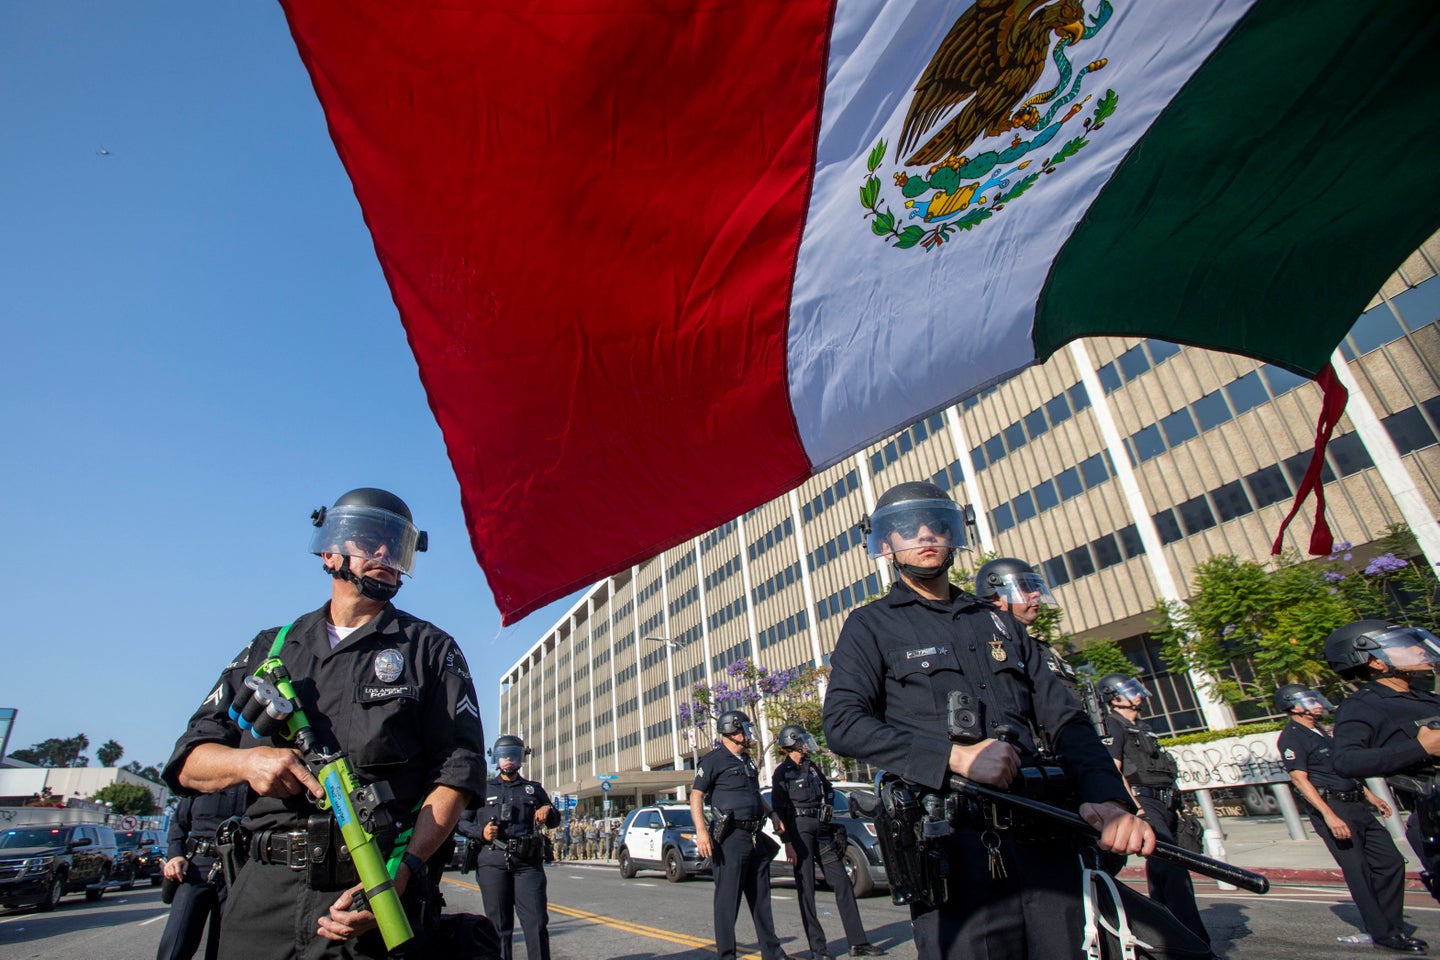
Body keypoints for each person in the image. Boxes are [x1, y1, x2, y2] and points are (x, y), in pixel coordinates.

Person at [823, 481, 1155, 960]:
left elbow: (1067, 720)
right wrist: (953, 758)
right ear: (886, 543)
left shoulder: (998, 622)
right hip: (953, 849)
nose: (924, 535)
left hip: (1046, 840)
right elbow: (843, 724)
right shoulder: (870, 624)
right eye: (905, 529)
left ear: (954, 533)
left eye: (935, 525)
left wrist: (1109, 800)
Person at [162, 487, 487, 960]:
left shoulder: (430, 649)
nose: (384, 553)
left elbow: (456, 773)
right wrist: (248, 763)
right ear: (331, 552)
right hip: (261, 897)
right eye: (369, 539)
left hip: (368, 889)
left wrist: (403, 871)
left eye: (395, 545)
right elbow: (190, 760)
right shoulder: (270, 649)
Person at [1275, 682, 1416, 951]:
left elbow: (1341, 768)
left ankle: (1388, 924)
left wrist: (1369, 796)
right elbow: (1300, 780)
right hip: (1334, 810)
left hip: (1356, 806)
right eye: (1310, 701)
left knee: (1391, 861)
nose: (1317, 704)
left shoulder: (1320, 732)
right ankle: (1384, 935)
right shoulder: (1292, 737)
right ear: (1293, 707)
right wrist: (1329, 816)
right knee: (1359, 871)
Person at [1328, 619, 1440, 921]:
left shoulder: (1427, 697)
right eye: (1406, 646)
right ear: (1376, 661)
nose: (1418, 650)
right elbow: (1346, 761)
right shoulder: (1362, 706)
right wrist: (1422, 748)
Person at [1099, 672, 1210, 947]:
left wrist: (1181, 809)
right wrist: (1137, 810)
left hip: (1166, 803)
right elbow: (1115, 771)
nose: (1138, 694)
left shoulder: (1145, 727)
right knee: (1174, 870)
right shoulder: (1113, 725)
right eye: (1129, 690)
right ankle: (1195, 942)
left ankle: (1167, 937)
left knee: (1163, 874)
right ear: (1114, 698)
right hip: (1144, 801)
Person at [692, 709, 801, 960]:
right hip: (730, 838)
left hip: (753, 836)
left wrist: (772, 814)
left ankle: (773, 953)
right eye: (743, 730)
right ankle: (727, 955)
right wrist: (701, 831)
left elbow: (754, 794)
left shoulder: (747, 760)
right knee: (727, 901)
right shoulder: (712, 761)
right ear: (732, 732)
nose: (747, 735)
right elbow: (696, 795)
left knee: (761, 899)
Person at [770, 724, 884, 959]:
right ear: (792, 743)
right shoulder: (782, 772)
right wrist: (787, 841)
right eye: (802, 740)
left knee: (842, 882)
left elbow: (829, 789)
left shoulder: (812, 768)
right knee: (807, 889)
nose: (806, 744)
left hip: (821, 828)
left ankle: (858, 942)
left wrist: (829, 806)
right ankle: (818, 949)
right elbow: (779, 809)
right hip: (800, 830)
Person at [461, 734, 558, 960]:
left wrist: (548, 810)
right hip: (493, 861)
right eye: (504, 756)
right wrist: (481, 833)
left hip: (528, 863)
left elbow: (554, 819)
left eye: (513, 756)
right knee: (499, 928)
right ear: (496, 759)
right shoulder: (482, 789)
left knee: (536, 922)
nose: (508, 760)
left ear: (521, 758)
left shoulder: (533, 789)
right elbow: (460, 822)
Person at [155, 784, 249, 960]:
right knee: (176, 942)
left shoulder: (255, 779)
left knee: (225, 947)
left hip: (237, 866)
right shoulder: (203, 779)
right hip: (196, 867)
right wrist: (175, 856)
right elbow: (178, 823)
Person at [973, 558, 1079, 703]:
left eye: (1035, 587)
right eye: (1024, 587)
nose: (1036, 594)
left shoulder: (1044, 649)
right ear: (996, 597)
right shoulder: (980, 647)